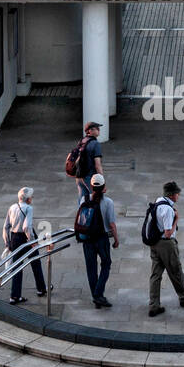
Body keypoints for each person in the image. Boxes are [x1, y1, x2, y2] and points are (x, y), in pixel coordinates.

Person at [147, 181, 184, 317]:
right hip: (166, 244)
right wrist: (176, 218)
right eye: (177, 193)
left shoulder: (158, 202)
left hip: (154, 243)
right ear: (171, 195)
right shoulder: (168, 210)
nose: (178, 195)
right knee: (176, 271)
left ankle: (154, 306)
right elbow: (168, 232)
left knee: (155, 275)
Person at [79, 174, 118, 308]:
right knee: (106, 264)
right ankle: (98, 295)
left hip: (87, 239)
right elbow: (112, 224)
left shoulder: (83, 199)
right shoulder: (108, 202)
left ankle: (96, 297)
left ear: (91, 186)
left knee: (91, 268)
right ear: (104, 187)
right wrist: (116, 239)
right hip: (102, 238)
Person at [3, 187, 47, 304]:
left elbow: (6, 226)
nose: (32, 198)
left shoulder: (12, 207)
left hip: (14, 238)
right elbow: (27, 227)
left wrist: (8, 243)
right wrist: (32, 241)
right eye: (31, 197)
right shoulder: (28, 208)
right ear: (27, 199)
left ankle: (15, 295)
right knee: (36, 262)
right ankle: (41, 288)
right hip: (25, 238)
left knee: (17, 266)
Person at [70, 120, 103, 202]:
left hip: (79, 176)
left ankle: (82, 214)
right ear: (90, 131)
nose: (99, 130)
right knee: (97, 199)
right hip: (90, 177)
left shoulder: (82, 141)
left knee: (82, 200)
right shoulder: (95, 144)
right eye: (97, 128)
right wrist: (102, 180)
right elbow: (97, 165)